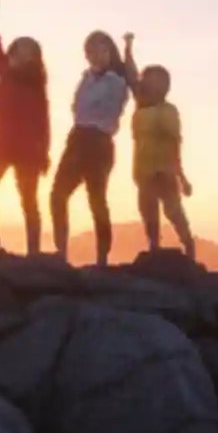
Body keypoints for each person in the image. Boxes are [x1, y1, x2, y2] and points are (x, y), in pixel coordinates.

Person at [50, 29, 131, 267]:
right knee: (58, 195)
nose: (94, 56)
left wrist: (128, 48)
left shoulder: (117, 81)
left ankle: (102, 257)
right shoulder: (86, 78)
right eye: (90, 51)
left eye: (99, 50)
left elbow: (110, 102)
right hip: (78, 137)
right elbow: (77, 108)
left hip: (99, 139)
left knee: (96, 199)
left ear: (109, 51)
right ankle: (61, 253)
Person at [0, 0, 50, 256]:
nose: (21, 55)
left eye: (28, 51)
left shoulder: (36, 84)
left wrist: (43, 152)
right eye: (19, 49)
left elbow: (43, 120)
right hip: (0, 144)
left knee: (29, 199)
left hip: (27, 150)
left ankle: (33, 251)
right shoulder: (5, 72)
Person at [124, 33, 197, 259]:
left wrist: (181, 176)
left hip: (163, 170)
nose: (145, 84)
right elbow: (131, 76)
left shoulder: (168, 111)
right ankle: (154, 246)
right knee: (148, 209)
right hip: (143, 170)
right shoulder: (142, 106)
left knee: (172, 209)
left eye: (152, 81)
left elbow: (175, 143)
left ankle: (188, 244)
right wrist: (128, 48)